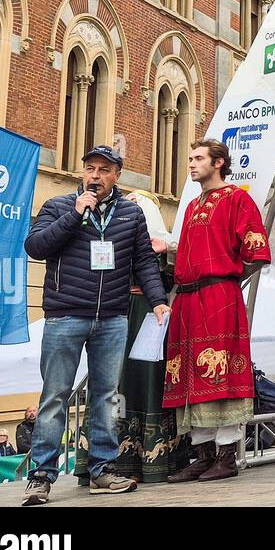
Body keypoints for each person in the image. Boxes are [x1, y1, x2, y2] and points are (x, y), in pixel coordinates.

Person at [21, 145, 170, 506]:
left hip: (112, 319)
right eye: (90, 168)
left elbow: (146, 263)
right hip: (65, 315)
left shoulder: (131, 215)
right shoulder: (58, 206)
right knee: (55, 396)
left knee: (105, 397)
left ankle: (103, 469)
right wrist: (74, 216)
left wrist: (158, 301)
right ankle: (41, 476)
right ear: (82, 172)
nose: (95, 176)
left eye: (104, 170)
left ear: (117, 175)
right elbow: (35, 247)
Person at [163, 138, 271, 484]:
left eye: (198, 158)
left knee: (220, 372)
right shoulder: (193, 205)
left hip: (218, 294)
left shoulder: (237, 198)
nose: (191, 164)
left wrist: (227, 280)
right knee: (192, 375)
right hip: (188, 299)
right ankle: (203, 453)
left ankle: (226, 456)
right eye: (191, 158)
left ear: (219, 162)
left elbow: (256, 252)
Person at [105, 190, 189, 484]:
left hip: (148, 317)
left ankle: (154, 457)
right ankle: (115, 459)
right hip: (118, 315)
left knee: (147, 381)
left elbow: (179, 272)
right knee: (118, 384)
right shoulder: (110, 238)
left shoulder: (165, 247)